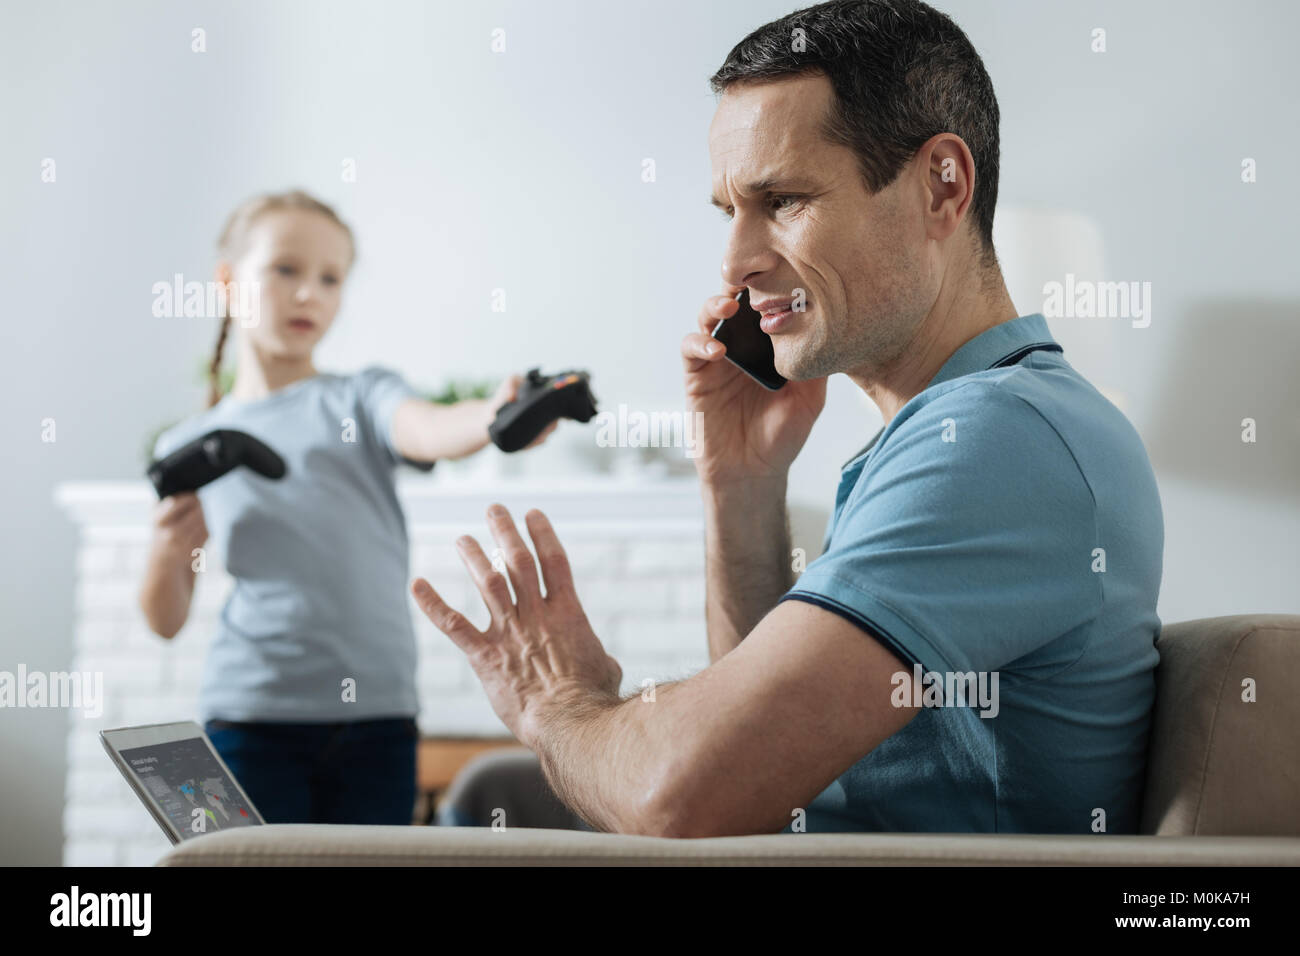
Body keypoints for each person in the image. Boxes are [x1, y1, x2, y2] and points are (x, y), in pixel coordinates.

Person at [410, 0, 1163, 836]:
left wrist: (554, 703)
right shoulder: (957, 428)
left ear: (940, 187)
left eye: (784, 199)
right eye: (729, 212)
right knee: (487, 798)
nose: (736, 260)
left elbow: (686, 796)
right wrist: (744, 485)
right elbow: (761, 751)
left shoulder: (999, 439)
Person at [138, 189, 554, 825]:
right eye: (286, 270)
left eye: (330, 278)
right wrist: (170, 547)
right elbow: (164, 619)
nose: (311, 293)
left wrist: (498, 417)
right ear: (227, 282)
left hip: (377, 719)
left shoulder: (361, 399)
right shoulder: (187, 448)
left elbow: (429, 427)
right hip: (250, 719)